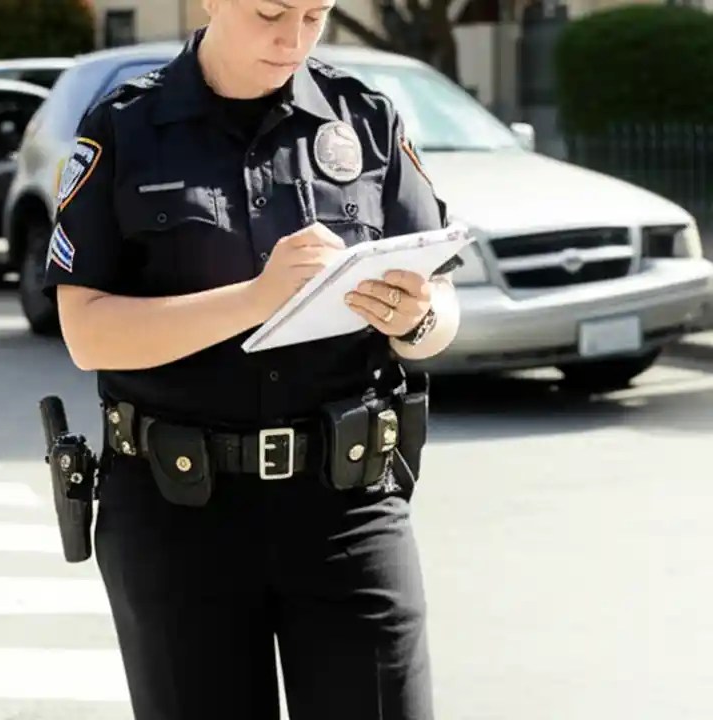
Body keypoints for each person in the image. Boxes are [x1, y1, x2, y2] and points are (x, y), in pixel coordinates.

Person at [40, 1, 465, 718]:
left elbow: (440, 301)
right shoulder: (125, 126)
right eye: (270, 12)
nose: (291, 38)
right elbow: (88, 334)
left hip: (346, 505)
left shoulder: (363, 117)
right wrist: (257, 298)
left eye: (314, 15)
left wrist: (417, 319)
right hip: (180, 512)